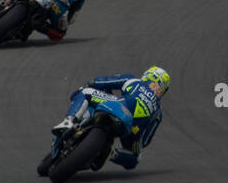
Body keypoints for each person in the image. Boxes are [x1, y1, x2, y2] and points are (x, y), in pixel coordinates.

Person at [41, 65, 170, 174]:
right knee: (135, 159)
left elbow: (100, 81)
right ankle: (112, 154)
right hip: (129, 129)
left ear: (148, 75)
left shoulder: (134, 81)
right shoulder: (158, 113)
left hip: (117, 104)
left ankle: (70, 120)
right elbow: (146, 140)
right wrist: (135, 138)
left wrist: (87, 86)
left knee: (85, 92)